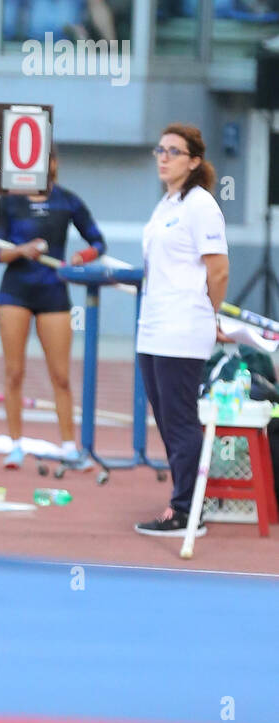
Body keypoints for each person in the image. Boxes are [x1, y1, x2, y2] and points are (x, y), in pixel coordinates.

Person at [135, 125, 228, 537]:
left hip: (183, 328)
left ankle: (187, 510)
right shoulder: (166, 205)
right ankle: (184, 499)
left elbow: (218, 269)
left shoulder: (201, 205)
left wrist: (210, 314)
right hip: (152, 329)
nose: (164, 156)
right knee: (167, 419)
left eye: (174, 151)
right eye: (160, 149)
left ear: (193, 161)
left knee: (180, 420)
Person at [0, 151, 106, 471]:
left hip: (54, 292)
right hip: (15, 292)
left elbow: (98, 242)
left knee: (61, 375)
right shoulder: (9, 201)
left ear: (56, 164)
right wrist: (21, 251)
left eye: (50, 160)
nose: (45, 167)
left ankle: (70, 447)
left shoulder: (68, 201)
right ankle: (15, 445)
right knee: (14, 372)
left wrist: (83, 257)